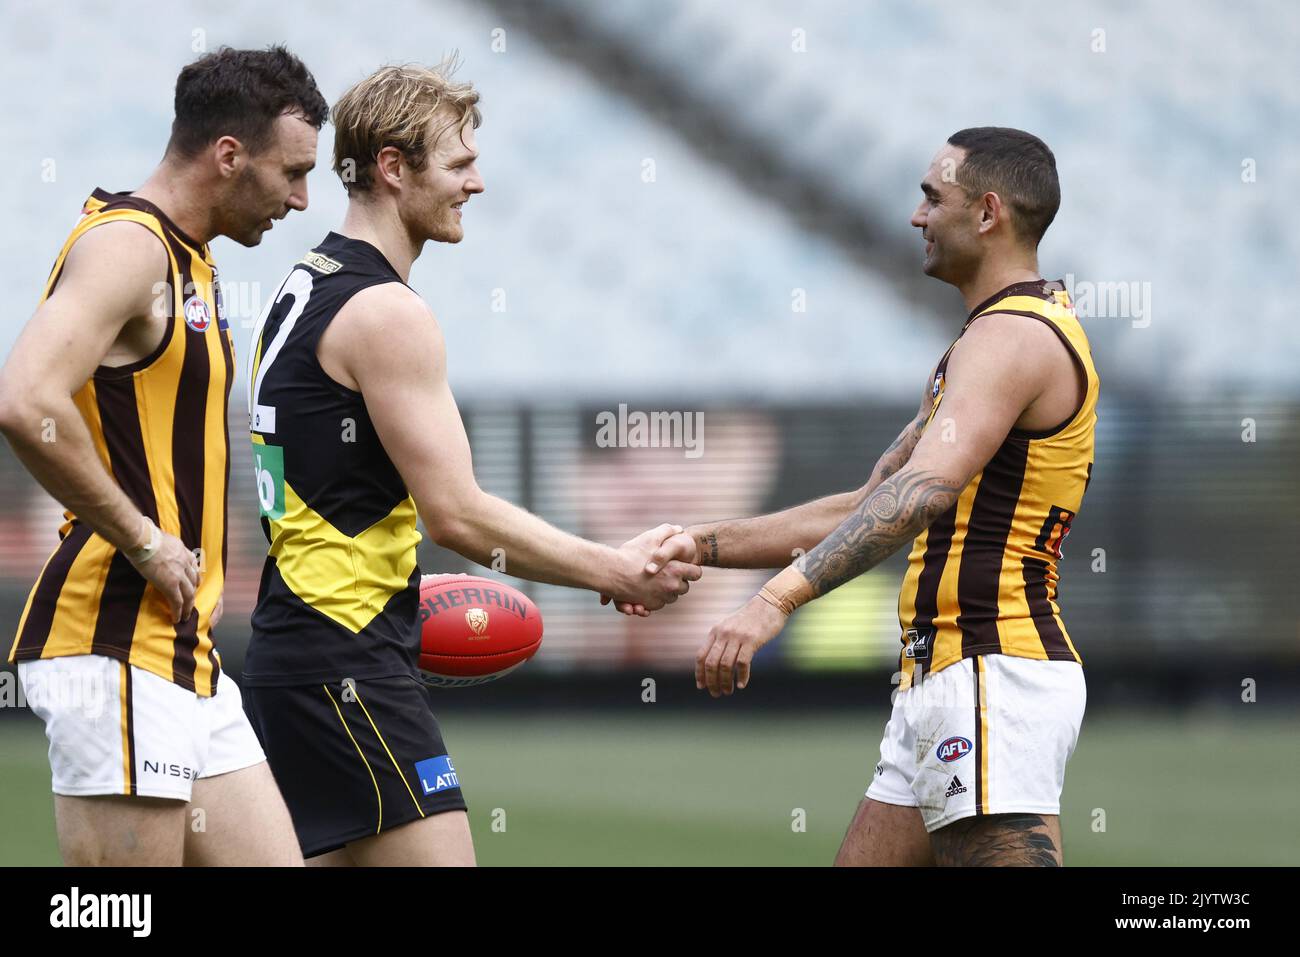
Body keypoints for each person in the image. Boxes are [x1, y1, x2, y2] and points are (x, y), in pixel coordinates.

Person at [241, 62, 701, 867]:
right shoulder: (387, 313)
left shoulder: (304, 282)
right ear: (392, 167)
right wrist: (614, 569)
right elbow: (458, 511)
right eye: (458, 165)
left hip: (303, 655)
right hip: (346, 661)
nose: (476, 184)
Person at [642, 128, 1097, 866]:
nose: (917, 216)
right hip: (944, 674)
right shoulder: (988, 339)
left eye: (931, 197)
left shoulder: (1013, 335)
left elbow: (920, 495)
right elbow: (871, 501)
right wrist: (701, 544)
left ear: (987, 213)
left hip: (991, 665)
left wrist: (772, 603)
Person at [0, 46, 328, 866]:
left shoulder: (194, 262)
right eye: (291, 172)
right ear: (228, 155)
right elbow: (24, 399)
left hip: (185, 654)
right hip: (115, 644)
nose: (301, 198)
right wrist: (144, 539)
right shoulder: (131, 247)